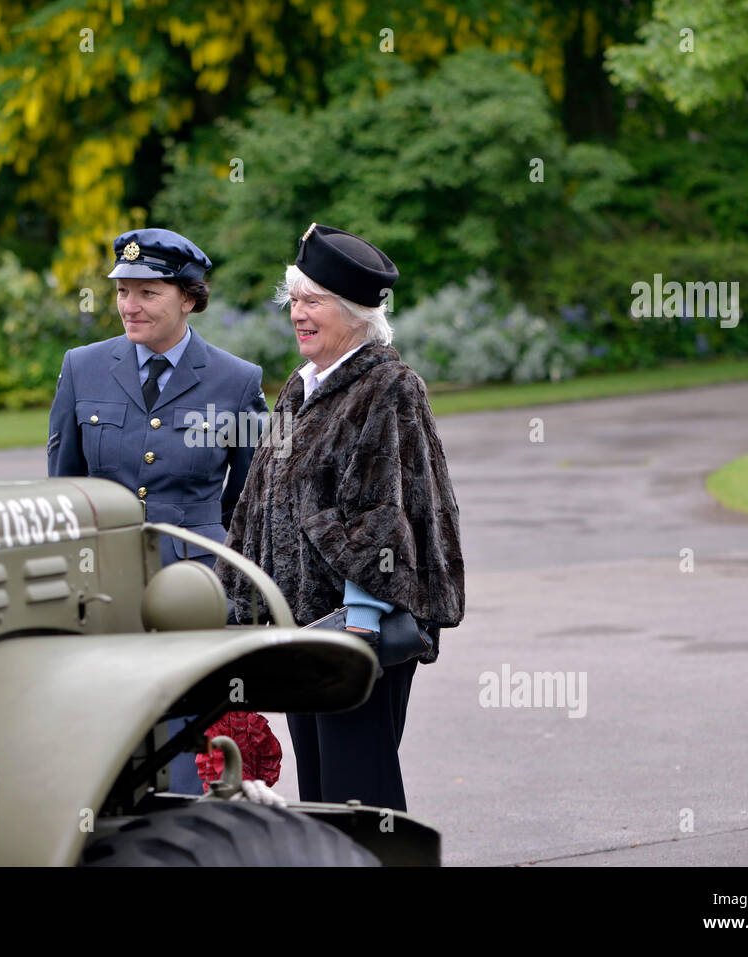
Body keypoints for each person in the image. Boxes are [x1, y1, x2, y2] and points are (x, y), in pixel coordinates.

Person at [220, 223, 465, 812]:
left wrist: (358, 622)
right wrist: (240, 605)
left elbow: (389, 511)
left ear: (355, 314)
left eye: (313, 301)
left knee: (362, 795)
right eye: (294, 300)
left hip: (359, 633)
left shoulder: (389, 387)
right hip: (305, 631)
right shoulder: (301, 387)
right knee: (322, 798)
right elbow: (260, 500)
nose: (297, 314)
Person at [48, 227, 268, 794]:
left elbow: (246, 505)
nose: (128, 305)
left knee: (186, 732)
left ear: (189, 297)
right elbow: (65, 492)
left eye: (148, 292)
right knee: (105, 725)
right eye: (123, 291)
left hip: (195, 588)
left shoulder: (237, 381)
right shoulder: (81, 367)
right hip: (103, 584)